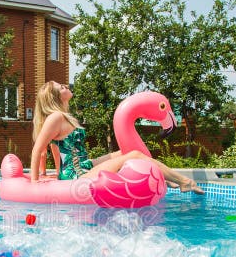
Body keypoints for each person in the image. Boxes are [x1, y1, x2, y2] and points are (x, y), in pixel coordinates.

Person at [29, 81, 205, 194]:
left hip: (83, 165)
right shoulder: (56, 118)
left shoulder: (64, 116)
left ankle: (165, 178)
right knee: (135, 156)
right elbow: (38, 149)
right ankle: (184, 181)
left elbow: (54, 149)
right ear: (56, 97)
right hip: (78, 175)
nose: (66, 86)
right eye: (61, 87)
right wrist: (35, 181)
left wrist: (55, 173)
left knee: (127, 151)